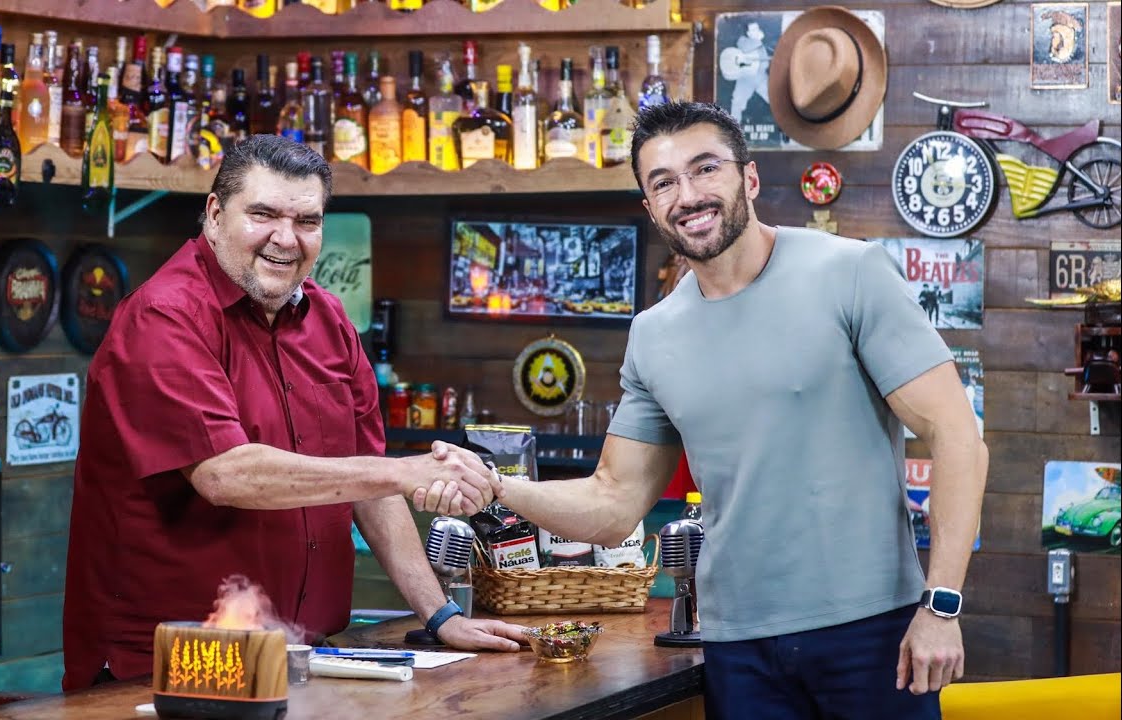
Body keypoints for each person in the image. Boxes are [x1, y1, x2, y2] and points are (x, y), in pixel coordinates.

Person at [418, 102, 988, 719]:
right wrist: (496, 486)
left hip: (873, 632)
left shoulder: (849, 273)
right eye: (663, 182)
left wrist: (942, 604)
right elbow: (613, 504)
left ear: (748, 178)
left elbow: (956, 434)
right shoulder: (654, 334)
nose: (687, 195)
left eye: (705, 168)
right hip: (738, 646)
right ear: (649, 205)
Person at [62, 135, 525, 691]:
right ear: (214, 214)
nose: (286, 239)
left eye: (307, 220)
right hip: (170, 670)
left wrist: (442, 616)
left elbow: (369, 485)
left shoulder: (329, 321)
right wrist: (407, 471)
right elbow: (225, 473)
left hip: (304, 660)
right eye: (263, 215)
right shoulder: (165, 317)